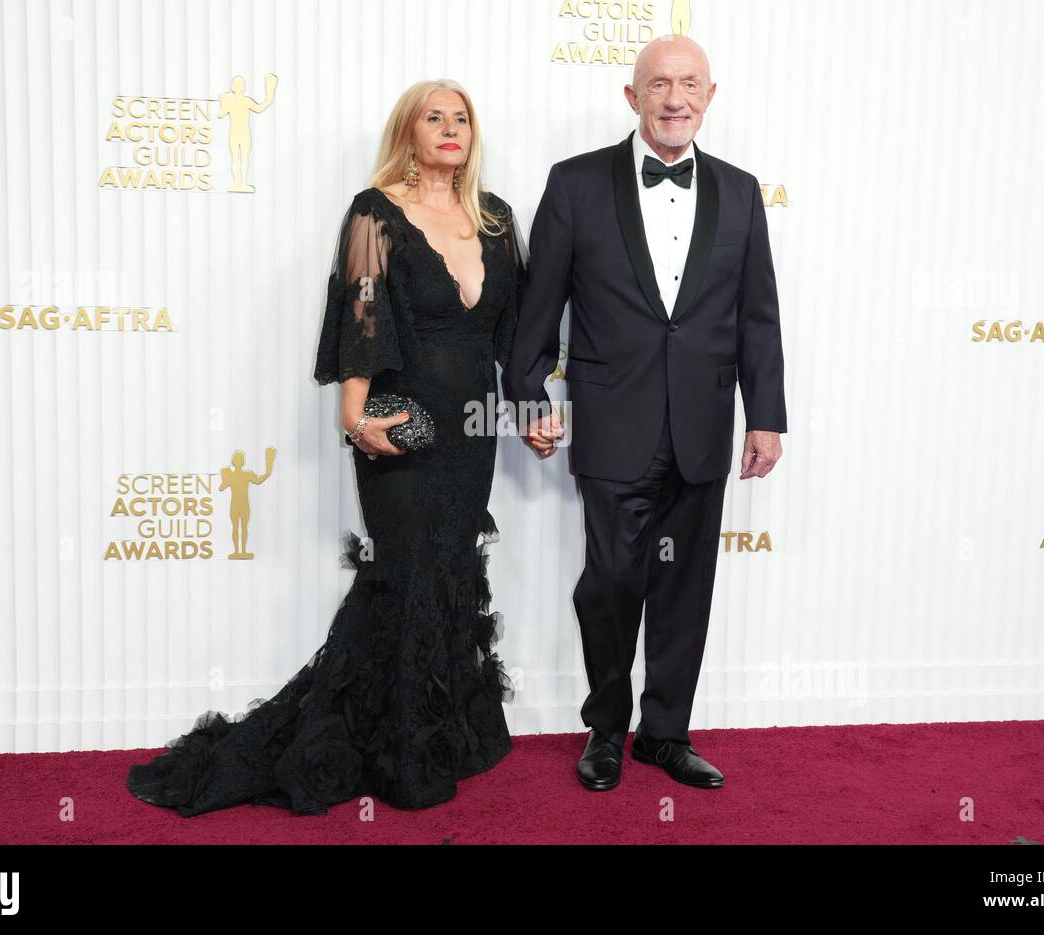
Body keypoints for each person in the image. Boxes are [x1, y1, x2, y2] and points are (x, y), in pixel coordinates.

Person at [127, 79, 525, 816]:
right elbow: (362, 308)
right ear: (406, 133)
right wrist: (353, 414)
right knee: (405, 576)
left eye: (461, 117)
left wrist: (535, 405)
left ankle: (438, 731)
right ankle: (401, 752)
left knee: (449, 571)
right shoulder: (374, 212)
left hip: (473, 429)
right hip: (399, 423)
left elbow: (516, 330)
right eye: (432, 117)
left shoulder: (493, 218)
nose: (449, 128)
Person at [501, 35, 787, 792]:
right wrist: (530, 393)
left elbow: (757, 315)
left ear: (710, 95)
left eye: (689, 83)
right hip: (612, 419)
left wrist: (766, 414)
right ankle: (605, 726)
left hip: (701, 426)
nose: (674, 98)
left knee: (686, 587)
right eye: (658, 83)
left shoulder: (741, 191)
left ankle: (666, 733)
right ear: (632, 97)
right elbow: (540, 311)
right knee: (612, 582)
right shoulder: (575, 184)